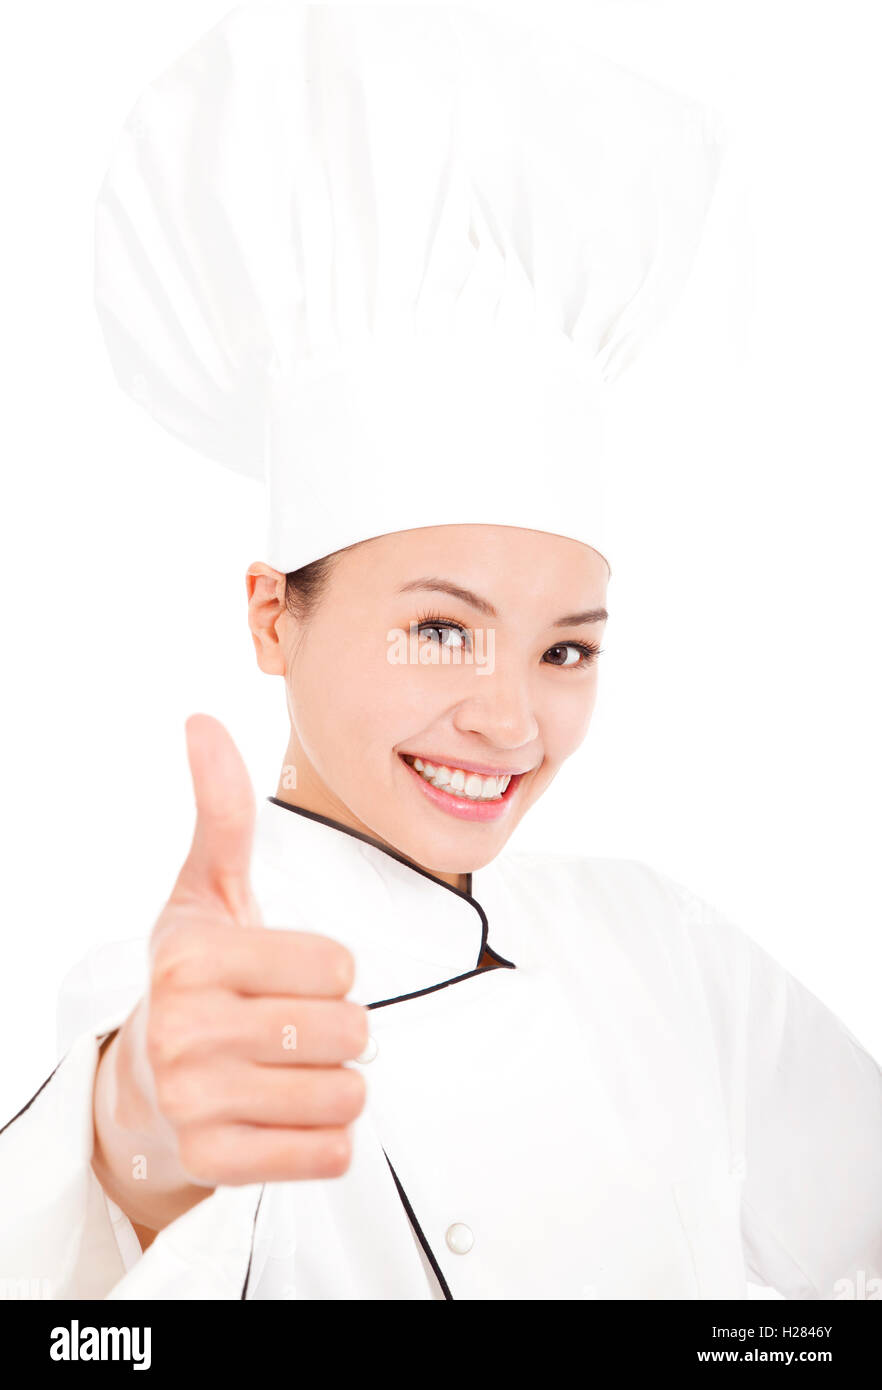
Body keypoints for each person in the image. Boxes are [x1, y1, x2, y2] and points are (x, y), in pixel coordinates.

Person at [1, 2, 880, 1301]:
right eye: (436, 626)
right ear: (269, 615)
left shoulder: (657, 943)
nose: (510, 719)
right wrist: (129, 1146)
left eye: (564, 651)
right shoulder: (168, 1010)